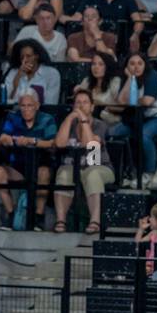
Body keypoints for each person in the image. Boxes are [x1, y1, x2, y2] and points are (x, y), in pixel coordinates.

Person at [53, 88, 115, 236]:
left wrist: (83, 119)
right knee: (63, 173)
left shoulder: (100, 125)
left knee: (91, 174)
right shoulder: (69, 124)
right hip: (73, 167)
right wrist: (69, 118)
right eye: (78, 103)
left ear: (92, 107)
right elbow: (60, 143)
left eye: (85, 102)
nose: (81, 106)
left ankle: (95, 221)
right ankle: (61, 220)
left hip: (100, 167)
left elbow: (89, 144)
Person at [0, 91, 57, 229]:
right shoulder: (13, 117)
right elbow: (2, 138)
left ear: (37, 106)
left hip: (40, 165)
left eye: (30, 106)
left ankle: (38, 217)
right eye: (23, 106)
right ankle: (11, 215)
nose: (26, 109)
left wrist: (32, 141)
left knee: (44, 173)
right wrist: (10, 139)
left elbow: (53, 143)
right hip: (18, 167)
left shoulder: (47, 119)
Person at [117, 52, 157, 182]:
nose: (136, 67)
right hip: (140, 119)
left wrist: (132, 101)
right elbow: (121, 101)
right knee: (113, 132)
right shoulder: (130, 79)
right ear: (127, 67)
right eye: (132, 64)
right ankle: (120, 171)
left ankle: (150, 172)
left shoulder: (152, 76)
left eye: (139, 63)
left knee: (144, 134)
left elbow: (148, 101)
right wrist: (129, 78)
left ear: (145, 65)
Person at [74, 52, 126, 136]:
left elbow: (121, 105)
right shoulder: (86, 81)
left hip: (110, 122)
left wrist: (97, 103)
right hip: (88, 121)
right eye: (94, 64)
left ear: (108, 67)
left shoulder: (115, 81)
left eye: (101, 64)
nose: (96, 67)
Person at [1, 40, 60, 107]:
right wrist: (17, 79)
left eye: (28, 56)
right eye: (22, 57)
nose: (25, 60)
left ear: (37, 56)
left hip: (41, 114)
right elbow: (6, 102)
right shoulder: (13, 72)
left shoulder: (51, 74)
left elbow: (51, 104)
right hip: (16, 113)